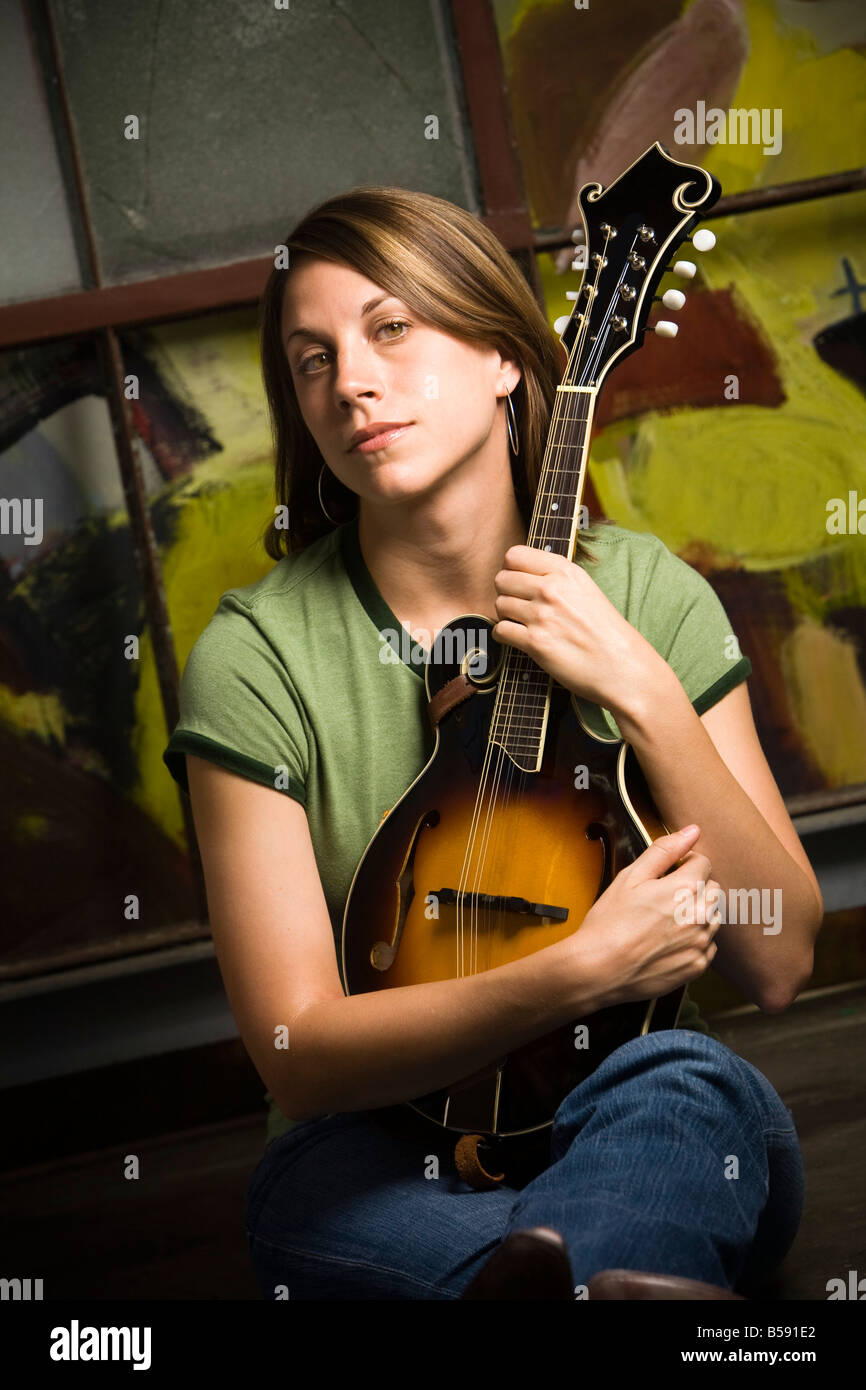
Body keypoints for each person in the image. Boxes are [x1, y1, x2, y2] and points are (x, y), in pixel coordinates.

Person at [162, 185, 823, 1301]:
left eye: (390, 328)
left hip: (633, 1103)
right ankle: (603, 1276)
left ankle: (551, 1273)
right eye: (311, 359)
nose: (352, 381)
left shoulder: (648, 592)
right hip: (365, 1147)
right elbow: (297, 1049)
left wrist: (643, 689)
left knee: (692, 1084)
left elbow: (777, 959)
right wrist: (578, 970)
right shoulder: (256, 656)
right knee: (340, 1214)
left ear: (505, 360)